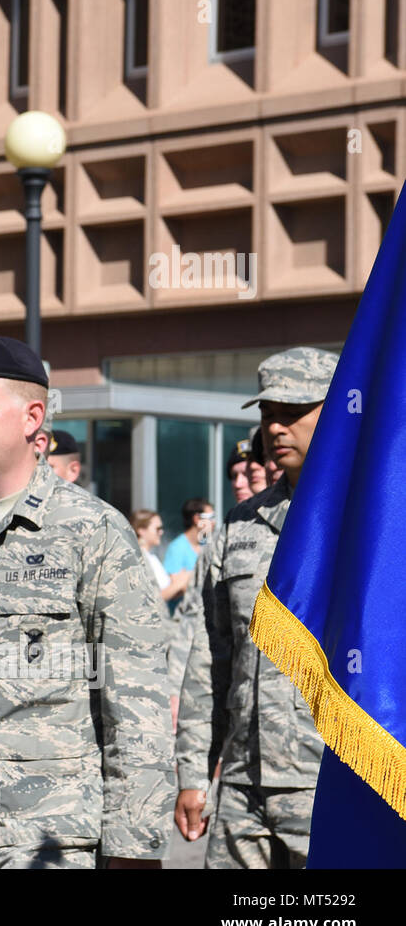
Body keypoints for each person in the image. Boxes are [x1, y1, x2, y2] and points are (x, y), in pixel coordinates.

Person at [0, 334, 173, 869]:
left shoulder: (91, 529)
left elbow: (135, 695)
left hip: (50, 838)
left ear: (32, 417)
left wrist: (134, 844)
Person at [174, 347, 338, 869]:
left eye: (292, 412)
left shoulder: (375, 522)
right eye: (268, 415)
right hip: (244, 785)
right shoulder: (240, 527)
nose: (275, 427)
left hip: (333, 782)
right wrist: (195, 775)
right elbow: (210, 661)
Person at [130, 510, 190, 605]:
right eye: (157, 528)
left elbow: (165, 591)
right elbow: (152, 599)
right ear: (141, 530)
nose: (161, 532)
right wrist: (180, 582)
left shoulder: (151, 557)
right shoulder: (138, 558)